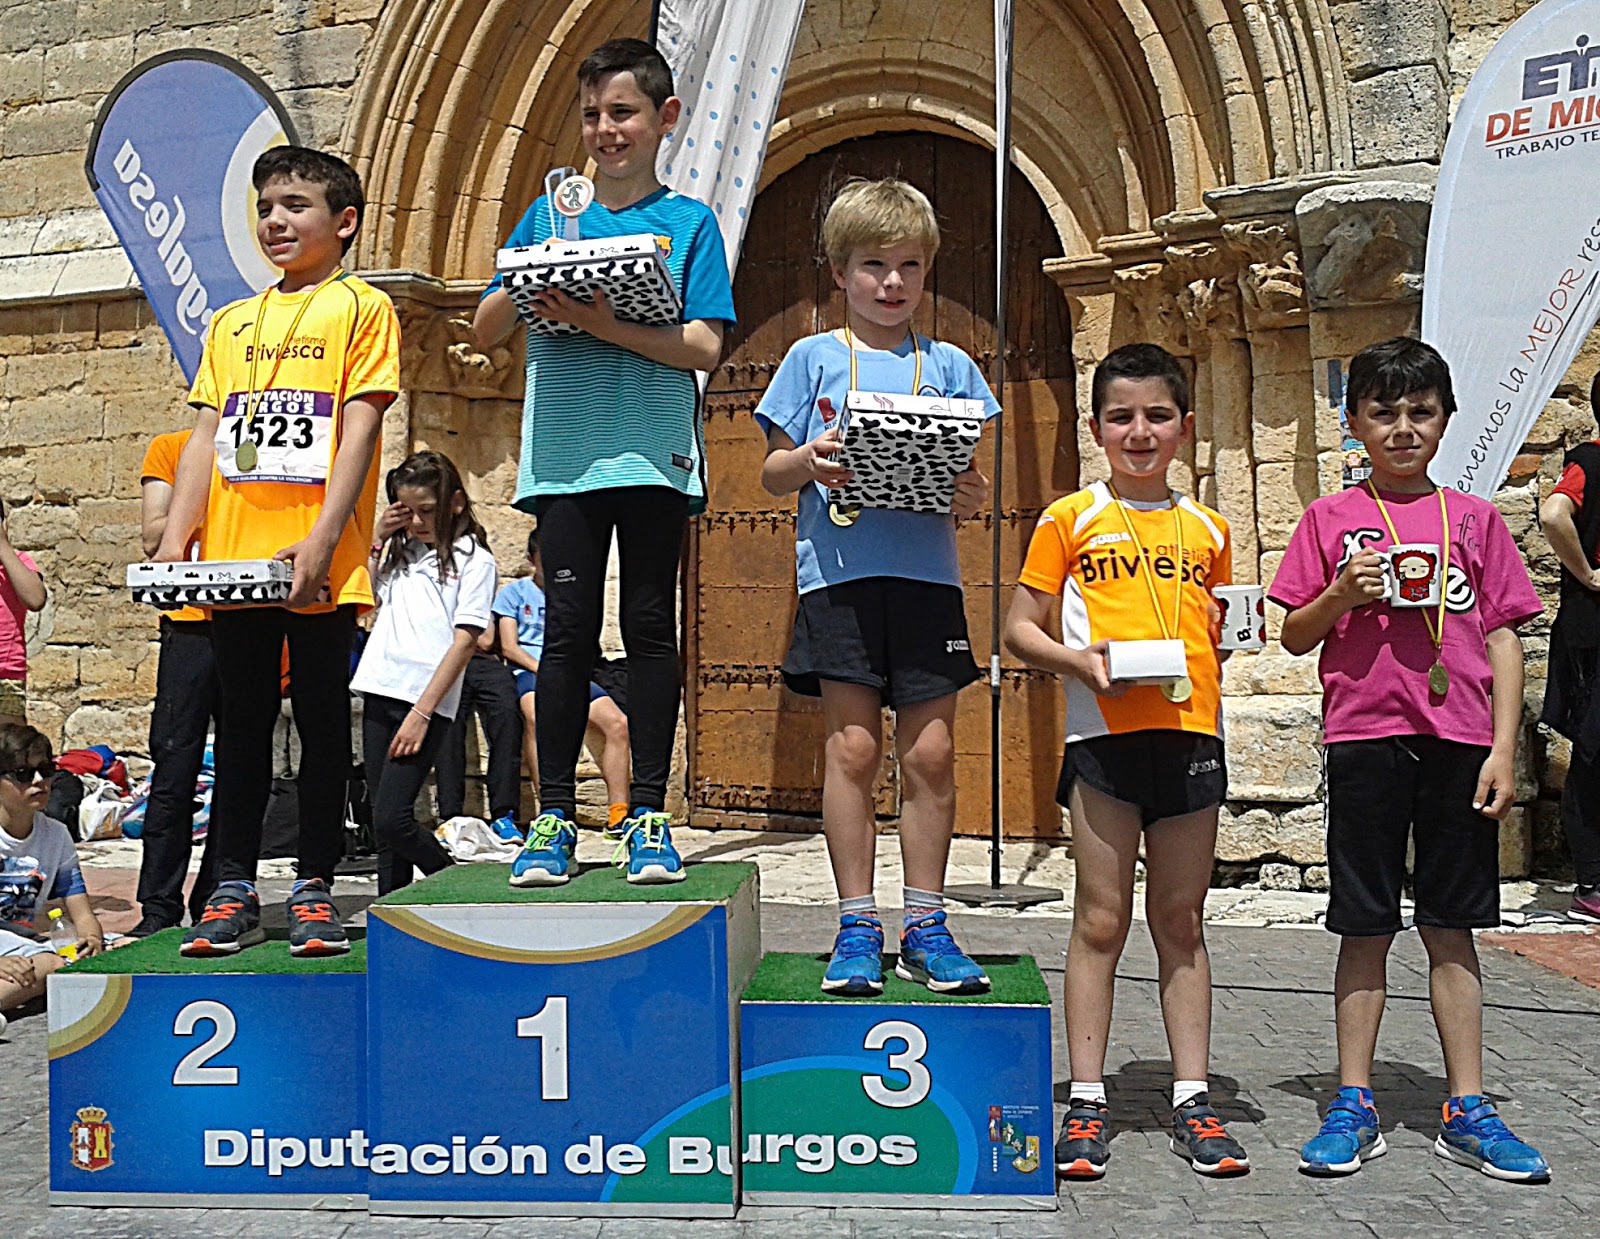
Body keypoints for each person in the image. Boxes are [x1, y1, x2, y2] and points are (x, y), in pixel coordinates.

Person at [1270, 337, 1550, 1182]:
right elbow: (1291, 632)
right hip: (1364, 737)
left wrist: (1504, 748)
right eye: (1383, 413)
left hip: (1460, 741)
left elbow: (1502, 635)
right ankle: (1353, 1098)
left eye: (1419, 412)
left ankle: (1468, 1103)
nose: (1402, 429)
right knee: (1363, 920)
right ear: (1353, 421)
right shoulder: (1329, 519)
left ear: (1445, 420)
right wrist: (1338, 595)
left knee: (1452, 922)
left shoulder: (1476, 519)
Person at [472, 37, 734, 884]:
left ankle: (648, 814)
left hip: (654, 454)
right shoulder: (549, 214)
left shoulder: (689, 224)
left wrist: (598, 321)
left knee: (651, 629)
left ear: (664, 119)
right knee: (567, 638)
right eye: (591, 115)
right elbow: (480, 332)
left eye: (621, 113)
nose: (604, 130)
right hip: (567, 456)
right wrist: (525, 280)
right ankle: (553, 818)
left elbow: (701, 345)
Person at [1004, 342, 1246, 1180]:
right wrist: (1079, 662)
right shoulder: (1070, 518)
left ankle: (1192, 1098)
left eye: (1156, 416)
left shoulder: (1210, 528)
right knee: (1100, 920)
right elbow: (1019, 627)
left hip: (1189, 737)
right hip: (1101, 739)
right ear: (1097, 427)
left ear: (1183, 426)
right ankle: (1087, 1098)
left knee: (1181, 921)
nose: (1139, 431)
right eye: (1121, 417)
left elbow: (1221, 623)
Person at [154, 145, 399, 957]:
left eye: (295, 205)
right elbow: (205, 438)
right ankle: (230, 884)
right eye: (265, 206)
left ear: (344, 222)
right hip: (233, 563)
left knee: (324, 724)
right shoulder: (230, 322)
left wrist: (324, 539)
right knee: (244, 723)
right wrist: (174, 542)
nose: (275, 221)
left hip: (316, 560)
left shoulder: (361, 308)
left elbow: (361, 428)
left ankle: (315, 882)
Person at [754, 178, 996, 997]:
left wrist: (973, 491)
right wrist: (810, 460)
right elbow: (771, 470)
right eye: (872, 265)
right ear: (839, 271)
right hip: (842, 580)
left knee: (929, 752)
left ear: (927, 273)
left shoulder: (952, 365)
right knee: (853, 749)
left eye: (908, 267)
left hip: (927, 580)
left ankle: (926, 922)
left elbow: (971, 478)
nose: (891, 283)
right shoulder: (811, 357)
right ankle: (857, 923)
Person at [351, 451, 497, 895]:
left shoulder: (475, 560)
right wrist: (379, 537)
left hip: (424, 701)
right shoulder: (402, 554)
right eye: (407, 511)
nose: (416, 522)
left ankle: (455, 883)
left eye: (426, 511)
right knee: (385, 828)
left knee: (392, 819)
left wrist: (423, 711)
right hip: (379, 687)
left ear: (454, 503)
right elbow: (364, 593)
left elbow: (466, 640)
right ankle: (391, 911)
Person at [494, 530, 633, 885]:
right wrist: (548, 671)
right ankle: (551, 812)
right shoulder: (513, 594)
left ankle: (619, 812)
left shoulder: (572, 596)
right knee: (537, 717)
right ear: (532, 559)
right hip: (531, 671)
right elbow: (509, 647)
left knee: (617, 723)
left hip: (572, 674)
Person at [129, 429, 221, 936]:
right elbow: (153, 536)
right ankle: (159, 906)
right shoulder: (171, 448)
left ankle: (216, 897)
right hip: (188, 626)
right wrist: (223, 512)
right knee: (173, 769)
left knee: (242, 771)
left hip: (252, 623)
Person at [1537, 371, 1600, 922]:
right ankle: (1591, 881)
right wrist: (1587, 574)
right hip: (1594, 634)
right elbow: (1554, 514)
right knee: (1593, 752)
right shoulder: (1591, 460)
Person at [0, 724, 103, 1028]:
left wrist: (92, 940)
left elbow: (81, 912)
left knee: (121, 948)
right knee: (50, 966)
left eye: (45, 770)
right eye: (22, 774)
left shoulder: (56, 835)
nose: (39, 782)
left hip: (19, 943)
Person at [433, 614, 525, 845]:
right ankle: (450, 817)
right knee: (447, 726)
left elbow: (485, 640)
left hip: (483, 662)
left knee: (508, 717)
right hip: (444, 660)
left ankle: (504, 815)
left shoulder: (478, 585)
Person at [0, 499, 47, 723]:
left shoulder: (15, 563)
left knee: (9, 749)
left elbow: (36, 599)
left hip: (6, 675)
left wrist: (3, 547)